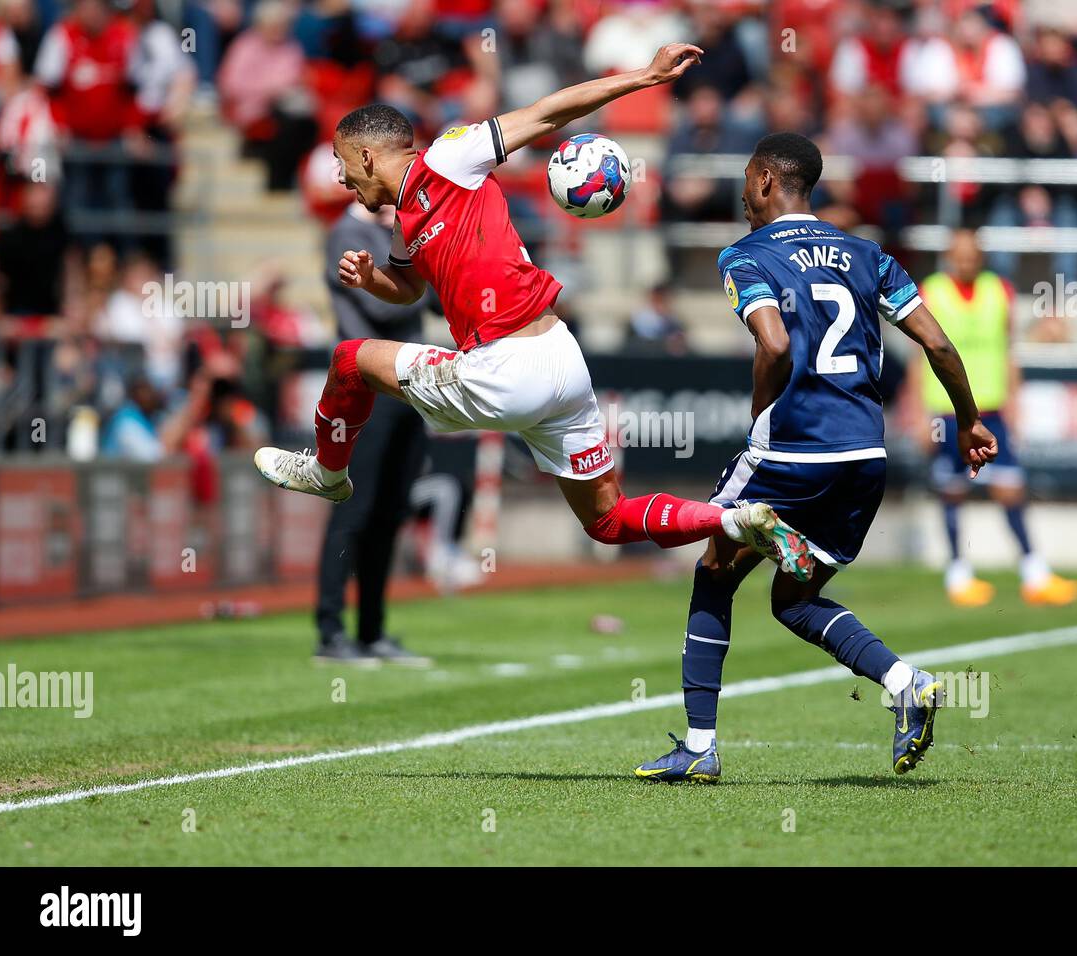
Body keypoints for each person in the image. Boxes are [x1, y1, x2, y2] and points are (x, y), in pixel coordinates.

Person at [253, 44, 811, 582]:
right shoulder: (405, 222)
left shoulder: (450, 156)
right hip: (561, 360)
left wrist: (644, 77)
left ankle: (327, 473)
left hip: (508, 365)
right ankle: (735, 518)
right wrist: (372, 278)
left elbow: (547, 112)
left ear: (367, 155)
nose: (342, 177)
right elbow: (408, 289)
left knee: (350, 360)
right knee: (608, 520)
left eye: (342, 162)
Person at [634, 132, 999, 783]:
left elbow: (773, 344)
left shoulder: (746, 255)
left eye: (748, 179)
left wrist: (759, 409)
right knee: (794, 598)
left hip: (794, 451)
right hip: (864, 455)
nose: (743, 192)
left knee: (715, 568)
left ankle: (697, 746)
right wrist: (969, 420)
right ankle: (906, 682)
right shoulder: (867, 255)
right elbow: (938, 345)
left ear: (768, 180)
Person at [906, 228, 1077, 608]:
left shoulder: (996, 290)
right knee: (952, 491)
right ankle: (958, 573)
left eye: (973, 254)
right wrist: (918, 414)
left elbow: (1007, 349)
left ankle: (1034, 573)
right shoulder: (931, 291)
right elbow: (917, 356)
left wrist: (1016, 400)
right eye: (960, 254)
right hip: (947, 410)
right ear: (950, 256)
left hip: (993, 407)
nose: (967, 260)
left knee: (1011, 489)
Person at [314, 201, 433, 665]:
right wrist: (407, 254)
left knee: (390, 513)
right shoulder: (346, 234)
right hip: (363, 392)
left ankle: (371, 631)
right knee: (352, 511)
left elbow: (436, 292)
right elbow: (384, 307)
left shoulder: (391, 236)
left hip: (404, 389)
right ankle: (329, 632)